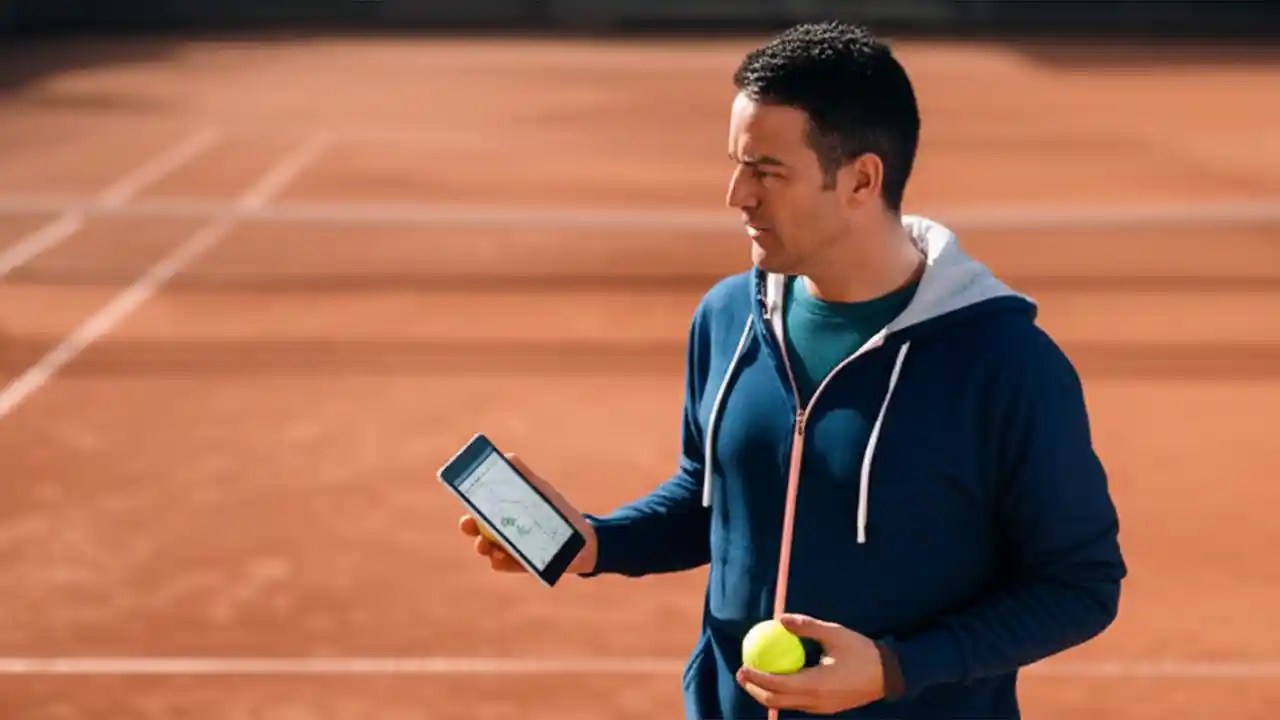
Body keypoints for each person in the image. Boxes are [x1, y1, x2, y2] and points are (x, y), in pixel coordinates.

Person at [459, 20, 1126, 719]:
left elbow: (1080, 585)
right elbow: (711, 497)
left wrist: (897, 669)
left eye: (767, 172)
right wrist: (598, 542)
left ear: (861, 179)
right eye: (737, 164)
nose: (736, 196)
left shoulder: (1006, 364)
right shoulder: (727, 318)